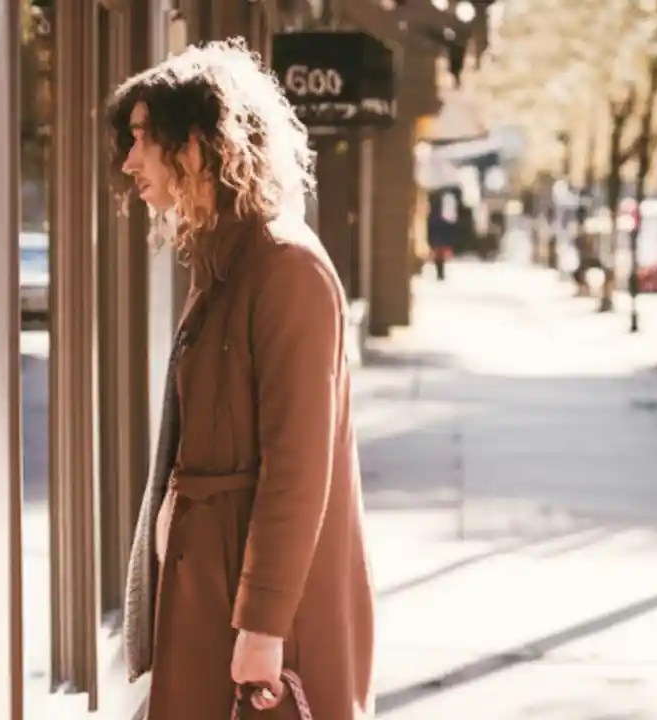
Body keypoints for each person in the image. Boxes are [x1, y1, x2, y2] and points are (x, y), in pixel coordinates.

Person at [106, 39, 375, 719]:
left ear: (198, 144)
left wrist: (263, 627)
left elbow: (298, 468)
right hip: (209, 596)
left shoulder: (286, 268)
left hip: (252, 616)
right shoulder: (225, 259)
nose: (129, 161)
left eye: (143, 139)